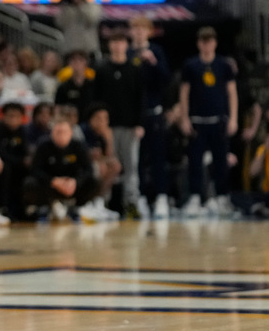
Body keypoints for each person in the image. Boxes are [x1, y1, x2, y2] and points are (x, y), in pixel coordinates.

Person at [178, 26, 237, 218]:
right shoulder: (191, 66)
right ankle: (195, 197)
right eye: (203, 41)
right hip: (197, 121)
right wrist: (185, 119)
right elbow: (184, 94)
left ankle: (222, 197)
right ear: (198, 44)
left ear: (215, 43)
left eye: (210, 41)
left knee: (221, 160)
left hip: (218, 120)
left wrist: (233, 118)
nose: (206, 44)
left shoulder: (223, 66)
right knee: (195, 161)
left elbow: (232, 93)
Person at [93, 29, 145, 217]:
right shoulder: (102, 69)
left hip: (130, 126)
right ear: (109, 45)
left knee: (131, 165)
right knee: (108, 164)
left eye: (121, 41)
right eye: (114, 41)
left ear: (126, 44)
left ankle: (131, 202)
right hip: (108, 127)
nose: (117, 45)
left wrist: (140, 124)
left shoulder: (134, 69)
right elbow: (96, 100)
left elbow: (140, 98)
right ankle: (103, 202)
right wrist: (100, 126)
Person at [128, 15, 172, 219]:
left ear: (148, 31)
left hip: (153, 113)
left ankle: (161, 197)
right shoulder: (127, 53)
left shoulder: (156, 51)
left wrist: (153, 63)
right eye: (134, 28)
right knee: (137, 160)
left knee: (157, 157)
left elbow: (165, 80)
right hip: (135, 117)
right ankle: (141, 198)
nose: (138, 32)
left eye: (141, 28)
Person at [23, 117, 98, 222]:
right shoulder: (43, 145)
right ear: (51, 133)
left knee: (95, 181)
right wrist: (53, 181)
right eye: (58, 131)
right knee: (30, 183)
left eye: (64, 132)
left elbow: (88, 169)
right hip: (51, 186)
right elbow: (35, 170)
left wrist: (75, 181)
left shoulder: (78, 146)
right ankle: (44, 208)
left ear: (71, 133)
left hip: (71, 186)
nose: (61, 135)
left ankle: (77, 208)